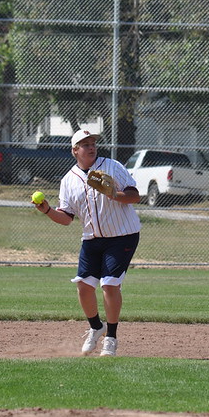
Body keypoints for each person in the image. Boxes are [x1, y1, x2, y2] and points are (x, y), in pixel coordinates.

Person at [33, 129, 141, 357]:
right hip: (92, 239)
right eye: (84, 144)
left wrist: (114, 194)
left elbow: (134, 196)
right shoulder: (68, 180)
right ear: (75, 151)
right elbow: (66, 218)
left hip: (122, 235)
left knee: (110, 284)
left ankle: (110, 337)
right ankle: (96, 327)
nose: (91, 147)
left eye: (92, 143)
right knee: (83, 286)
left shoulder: (112, 166)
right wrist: (48, 210)